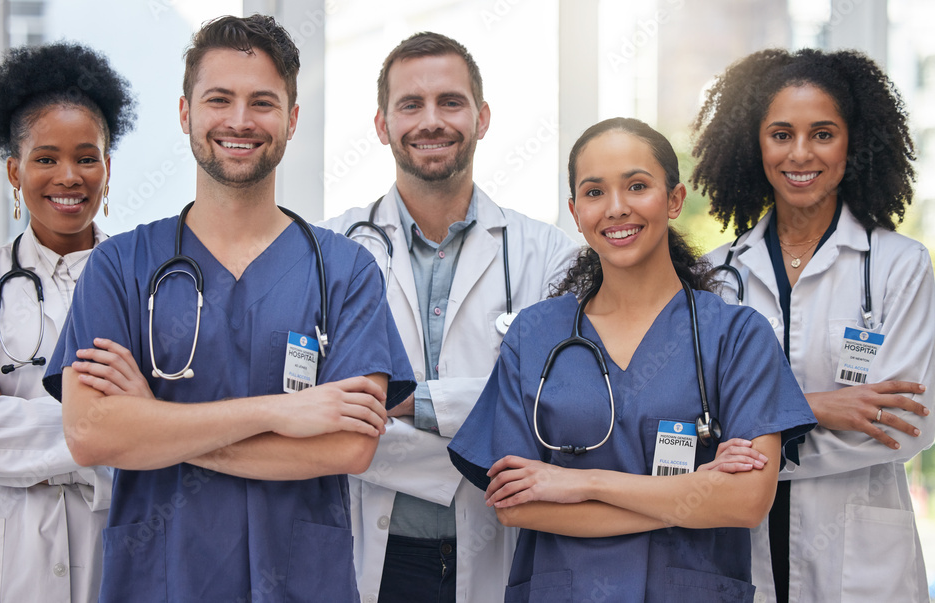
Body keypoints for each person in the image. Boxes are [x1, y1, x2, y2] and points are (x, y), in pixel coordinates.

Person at [43, 15, 415, 602]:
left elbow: (350, 446)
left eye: (262, 102)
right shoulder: (119, 265)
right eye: (220, 99)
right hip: (161, 580)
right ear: (186, 112)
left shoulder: (344, 270)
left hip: (300, 581)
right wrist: (279, 414)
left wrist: (155, 423)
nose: (240, 121)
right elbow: (92, 433)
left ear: (291, 120)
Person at [447, 117, 817, 602]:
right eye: (595, 192)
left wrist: (574, 482)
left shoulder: (738, 336)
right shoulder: (535, 334)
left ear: (674, 199)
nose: (617, 208)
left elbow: (747, 501)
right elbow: (517, 505)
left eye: (637, 186)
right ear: (575, 211)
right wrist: (694, 494)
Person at [320, 32, 578, 603]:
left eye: (450, 102)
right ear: (382, 125)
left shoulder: (549, 254)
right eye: (410, 104)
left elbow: (557, 405)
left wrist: (409, 402)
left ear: (482, 118)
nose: (430, 121)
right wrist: (482, 417)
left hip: (495, 545)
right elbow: (319, 406)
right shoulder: (330, 247)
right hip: (372, 551)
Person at [692, 48, 935, 602]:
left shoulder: (899, 265)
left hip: (859, 565)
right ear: (755, 144)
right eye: (781, 134)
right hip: (738, 549)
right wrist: (820, 408)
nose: (800, 153)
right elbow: (692, 421)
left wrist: (752, 446)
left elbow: (902, 426)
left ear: (853, 141)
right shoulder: (714, 276)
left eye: (822, 133)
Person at [0, 42, 135, 602]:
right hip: (1, 570)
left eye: (86, 156)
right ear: (14, 170)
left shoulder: (148, 284)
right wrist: (117, 428)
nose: (68, 176)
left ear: (107, 168)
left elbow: (179, 425)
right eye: (46, 158)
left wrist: (19, 425)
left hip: (110, 555)